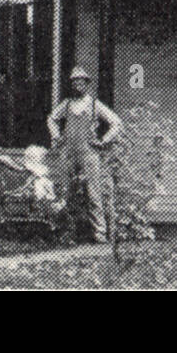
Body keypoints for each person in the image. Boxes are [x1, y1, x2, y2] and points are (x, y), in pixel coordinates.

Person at [47, 67, 122, 243]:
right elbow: (51, 119)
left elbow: (116, 122)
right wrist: (56, 136)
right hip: (68, 153)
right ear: (71, 84)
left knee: (93, 193)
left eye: (81, 81)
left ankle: (100, 234)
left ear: (87, 84)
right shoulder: (66, 104)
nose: (77, 84)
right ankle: (66, 232)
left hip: (89, 154)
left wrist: (104, 141)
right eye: (74, 81)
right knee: (66, 192)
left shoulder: (95, 104)